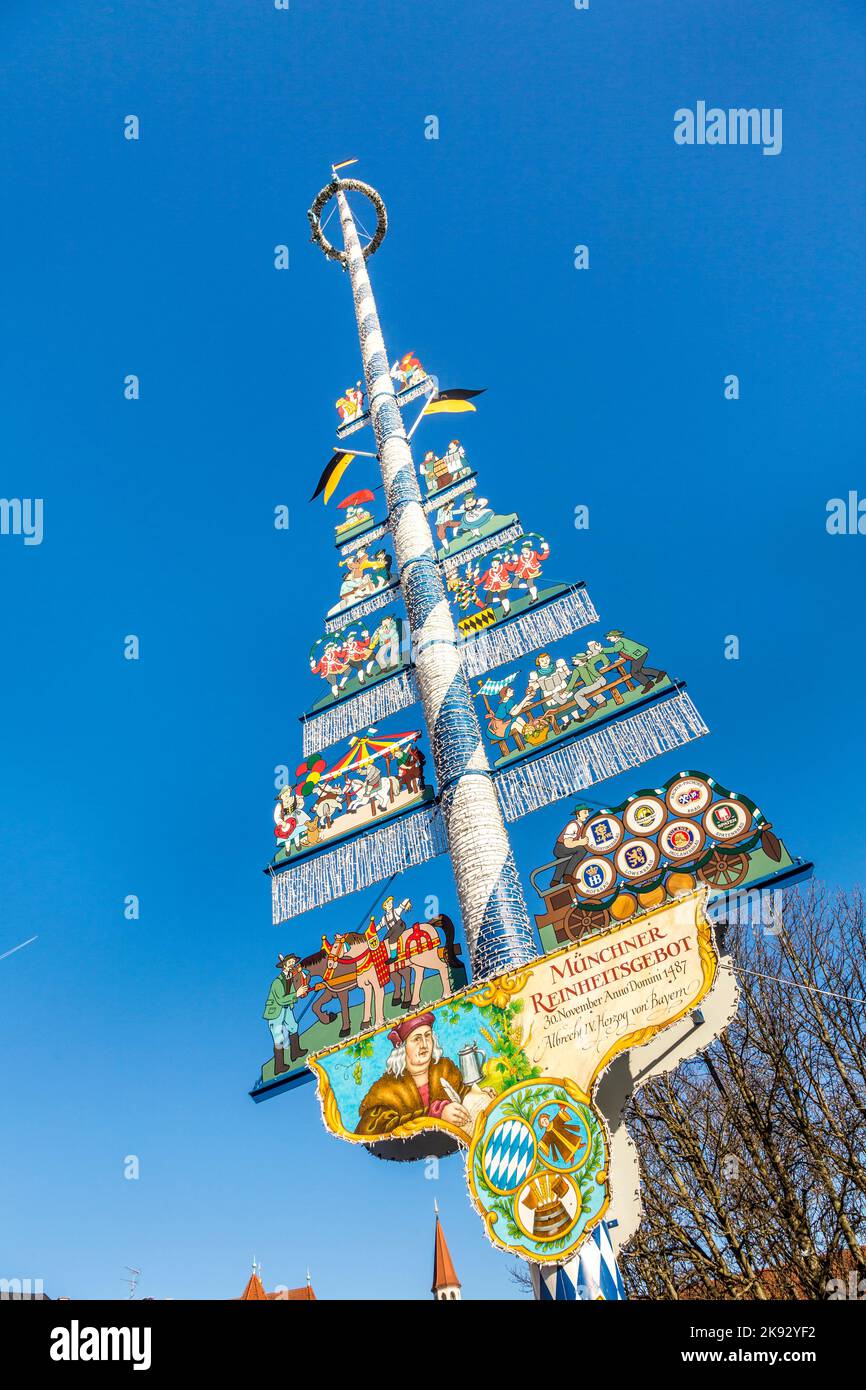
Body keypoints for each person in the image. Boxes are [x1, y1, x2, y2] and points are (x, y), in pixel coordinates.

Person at [355, 1015, 471, 1135]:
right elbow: (371, 1129)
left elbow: (462, 1093)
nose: (424, 1044)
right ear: (402, 1048)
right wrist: (435, 1114)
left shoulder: (444, 1069)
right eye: (416, 1039)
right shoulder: (386, 1089)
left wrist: (476, 1094)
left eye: (427, 1036)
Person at [263, 953, 309, 1074]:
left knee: (293, 1026)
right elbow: (281, 999)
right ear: (284, 965)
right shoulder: (277, 982)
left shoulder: (290, 978)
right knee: (279, 1038)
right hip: (276, 1011)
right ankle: (279, 1067)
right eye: (290, 963)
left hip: (287, 1008)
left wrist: (298, 994)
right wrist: (296, 995)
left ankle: (295, 1052)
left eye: (293, 962)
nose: (292, 964)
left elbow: (293, 993)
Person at [604, 629, 666, 694]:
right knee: (640, 670)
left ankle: (648, 683)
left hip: (638, 656)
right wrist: (621, 658)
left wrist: (601, 650)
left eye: (609, 637)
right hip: (639, 655)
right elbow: (624, 651)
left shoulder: (619, 642)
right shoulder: (621, 641)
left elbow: (614, 649)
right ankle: (659, 674)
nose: (608, 638)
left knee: (634, 672)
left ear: (615, 636)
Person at [550, 805, 593, 886]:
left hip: (566, 849)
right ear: (578, 814)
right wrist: (580, 842)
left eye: (587, 812)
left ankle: (555, 881)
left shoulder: (582, 825)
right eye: (585, 812)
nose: (587, 815)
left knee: (564, 861)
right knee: (582, 849)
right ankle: (567, 875)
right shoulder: (573, 825)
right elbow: (567, 843)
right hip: (560, 847)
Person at [508, 537, 550, 603]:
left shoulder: (534, 553)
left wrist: (546, 549)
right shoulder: (520, 557)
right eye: (523, 549)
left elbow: (542, 557)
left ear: (529, 549)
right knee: (514, 584)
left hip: (532, 572)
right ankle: (530, 588)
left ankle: (534, 597)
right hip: (522, 573)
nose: (524, 550)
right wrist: (510, 560)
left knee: (530, 583)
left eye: (525, 549)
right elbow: (513, 566)